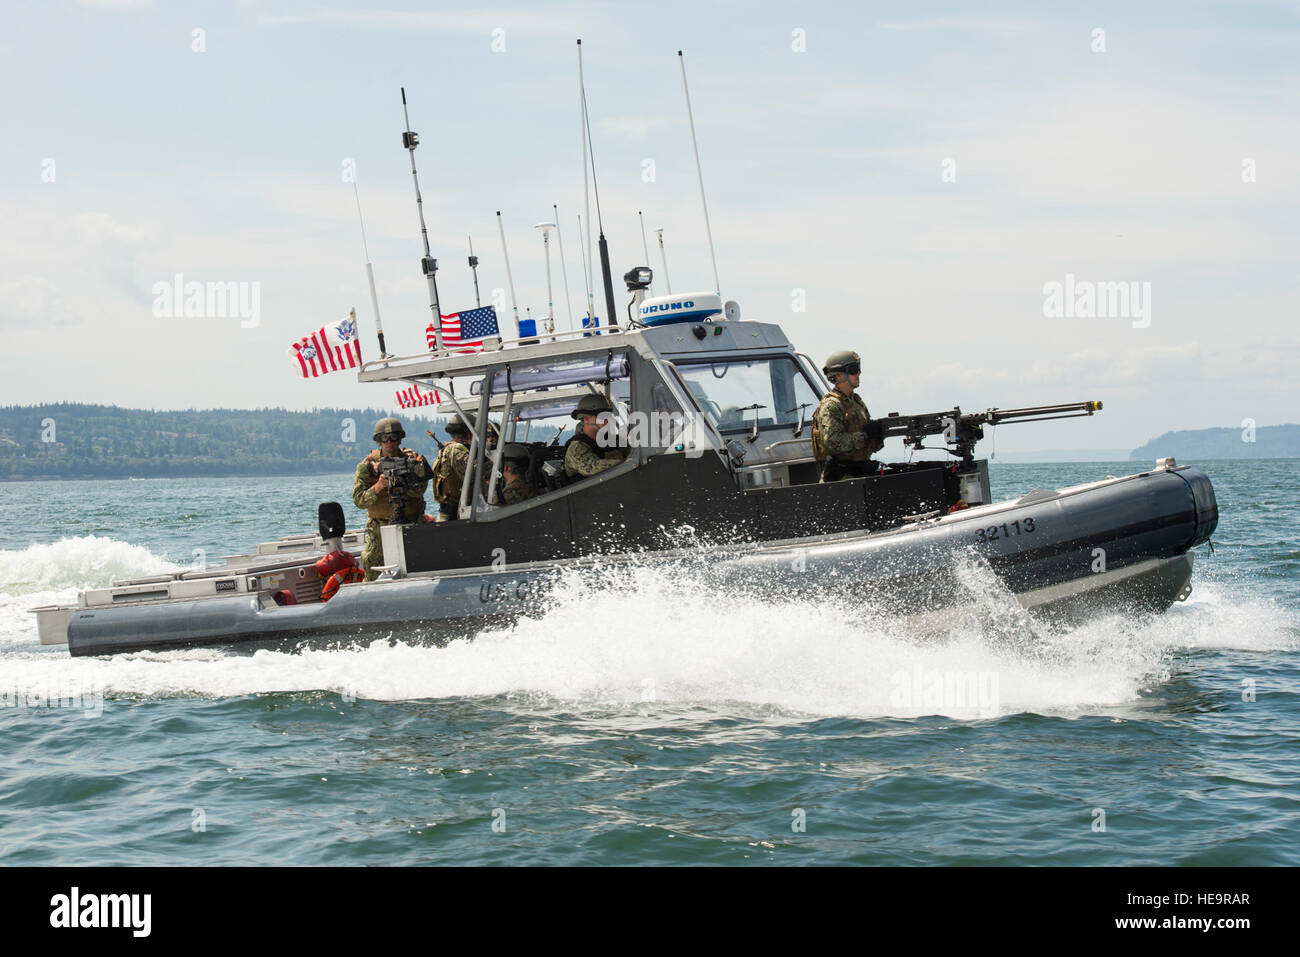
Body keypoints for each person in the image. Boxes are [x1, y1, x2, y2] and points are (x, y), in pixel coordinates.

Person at [351, 417, 431, 580]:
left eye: (393, 438)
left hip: (411, 521)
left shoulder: (411, 461)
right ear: (378, 441)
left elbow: (420, 490)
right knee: (373, 566)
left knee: (420, 565)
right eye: (384, 438)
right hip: (379, 527)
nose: (389, 442)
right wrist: (378, 486)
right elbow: (359, 500)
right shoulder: (368, 465)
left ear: (400, 439)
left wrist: (403, 481)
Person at [811, 350, 884, 482]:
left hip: (860, 472)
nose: (858, 373)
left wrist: (878, 435)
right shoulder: (831, 405)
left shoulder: (857, 403)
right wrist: (864, 435)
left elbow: (868, 445)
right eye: (853, 369)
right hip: (840, 477)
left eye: (858, 369)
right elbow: (833, 442)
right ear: (838, 375)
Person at [564, 394, 629, 479]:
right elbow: (591, 468)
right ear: (586, 419)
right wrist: (626, 462)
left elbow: (633, 452)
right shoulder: (576, 448)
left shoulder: (613, 440)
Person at [431, 416, 472, 521]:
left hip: (450, 510)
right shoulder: (457, 450)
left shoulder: (450, 448)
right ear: (470, 434)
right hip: (454, 512)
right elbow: (473, 474)